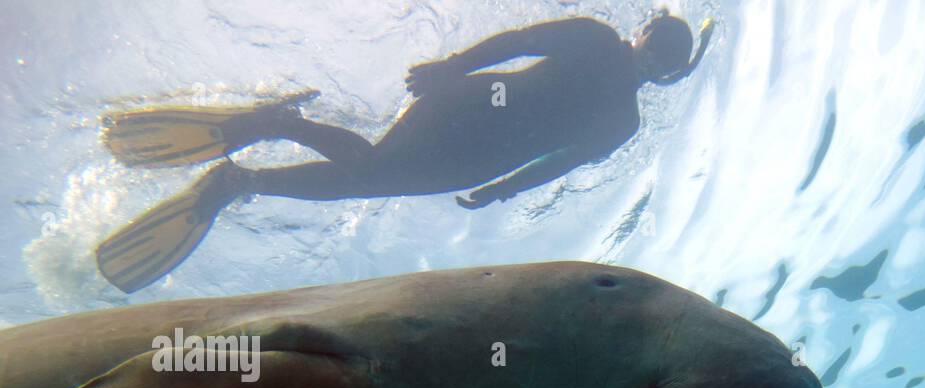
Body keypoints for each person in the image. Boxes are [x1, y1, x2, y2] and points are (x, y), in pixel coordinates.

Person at [96, 12, 714, 293]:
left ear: (646, 37)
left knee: (366, 177)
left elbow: (558, 154)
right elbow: (526, 62)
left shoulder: (609, 77)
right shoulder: (618, 104)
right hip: (472, 126)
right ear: (665, 68)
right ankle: (270, 137)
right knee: (369, 171)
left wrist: (503, 181)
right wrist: (454, 69)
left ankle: (246, 175)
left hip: (473, 132)